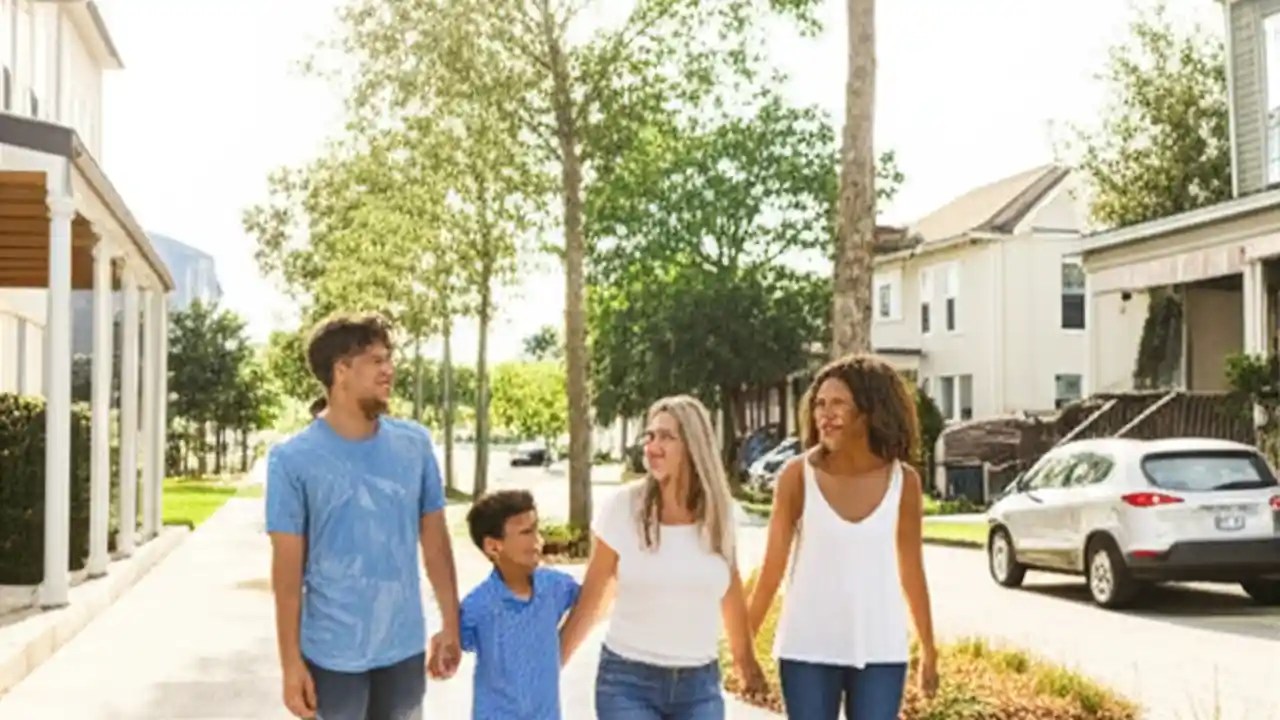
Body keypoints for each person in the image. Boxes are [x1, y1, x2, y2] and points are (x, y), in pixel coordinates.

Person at [265, 312, 462, 720]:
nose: (389, 370)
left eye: (389, 358)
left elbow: (436, 541)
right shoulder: (291, 460)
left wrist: (450, 622)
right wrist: (290, 664)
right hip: (331, 655)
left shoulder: (415, 445)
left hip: (402, 649)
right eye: (376, 360)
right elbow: (287, 574)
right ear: (341, 371)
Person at [746, 354, 939, 719]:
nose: (825, 414)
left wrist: (929, 649)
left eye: (838, 403)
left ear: (868, 411)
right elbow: (771, 571)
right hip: (807, 649)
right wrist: (744, 649)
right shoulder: (796, 477)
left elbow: (912, 571)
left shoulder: (904, 483)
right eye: (819, 404)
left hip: (881, 648)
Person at [559, 394, 765, 720]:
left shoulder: (720, 514)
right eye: (650, 436)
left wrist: (746, 664)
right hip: (627, 683)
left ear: (694, 446)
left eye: (666, 437)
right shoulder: (623, 508)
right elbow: (591, 600)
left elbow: (730, 590)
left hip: (699, 686)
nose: (652, 446)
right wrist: (549, 665)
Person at [452, 490, 580, 720]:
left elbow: (595, 599)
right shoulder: (477, 607)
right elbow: (451, 646)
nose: (538, 540)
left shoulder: (556, 588)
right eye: (526, 533)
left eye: (536, 529)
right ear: (493, 547)